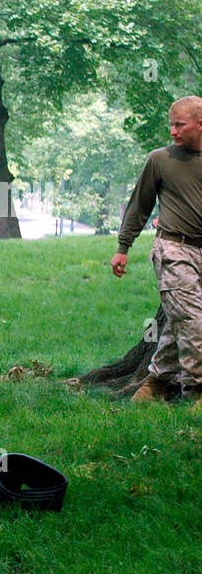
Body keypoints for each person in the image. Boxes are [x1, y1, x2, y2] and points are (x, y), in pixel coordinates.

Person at [112, 95, 202, 404]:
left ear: (200, 125)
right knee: (193, 321)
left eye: (180, 125)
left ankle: (154, 383)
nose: (173, 132)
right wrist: (123, 247)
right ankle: (195, 394)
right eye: (171, 125)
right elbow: (139, 206)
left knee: (181, 321)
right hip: (174, 249)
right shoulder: (160, 159)